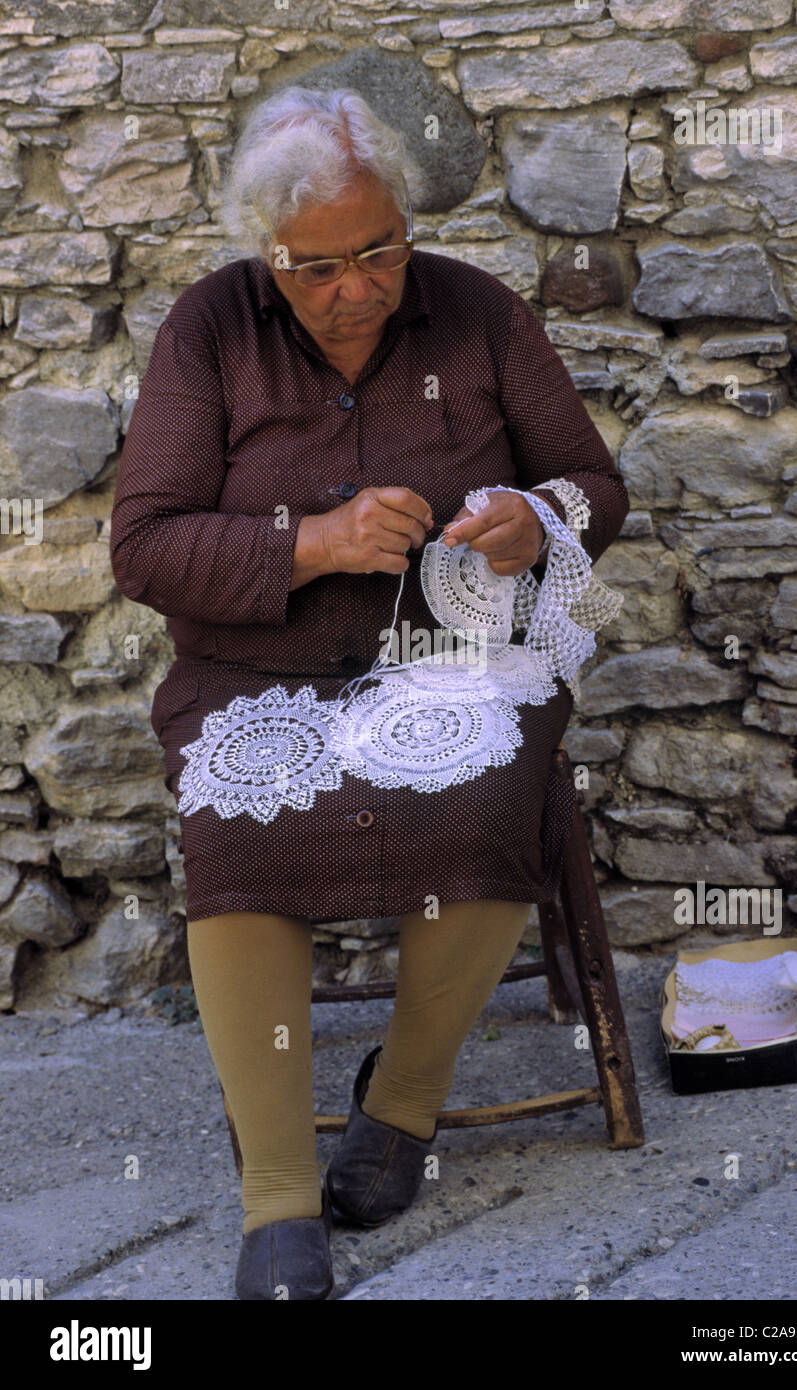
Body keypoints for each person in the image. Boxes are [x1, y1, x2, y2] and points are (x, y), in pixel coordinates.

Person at [109, 83, 630, 1300]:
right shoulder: (210, 330)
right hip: (254, 673)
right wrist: (313, 541)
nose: (359, 285)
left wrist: (532, 521)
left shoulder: (477, 313)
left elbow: (593, 487)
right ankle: (279, 1198)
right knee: (240, 830)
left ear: (405, 222)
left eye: (379, 249)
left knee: (485, 802)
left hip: (456, 659)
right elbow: (145, 546)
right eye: (320, 266)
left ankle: (396, 1112)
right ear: (266, 255)